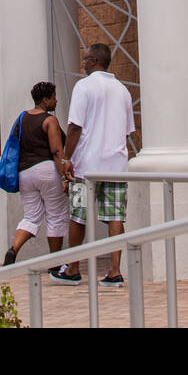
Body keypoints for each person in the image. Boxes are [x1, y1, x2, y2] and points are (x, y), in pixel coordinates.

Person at [49, 43, 135, 289]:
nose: (83, 62)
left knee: (79, 215)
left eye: (85, 58)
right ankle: (115, 271)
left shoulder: (83, 87)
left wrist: (67, 159)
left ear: (95, 60)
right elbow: (128, 130)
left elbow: (75, 127)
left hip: (87, 165)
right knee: (116, 216)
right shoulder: (123, 90)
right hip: (116, 164)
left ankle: (74, 268)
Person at [2, 82, 69, 267]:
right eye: (54, 97)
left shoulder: (22, 118)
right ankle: (55, 262)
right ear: (45, 99)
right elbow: (56, 151)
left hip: (25, 174)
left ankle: (13, 249)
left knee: (31, 216)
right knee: (55, 215)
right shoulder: (50, 120)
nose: (56, 101)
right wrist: (64, 176)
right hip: (46, 170)